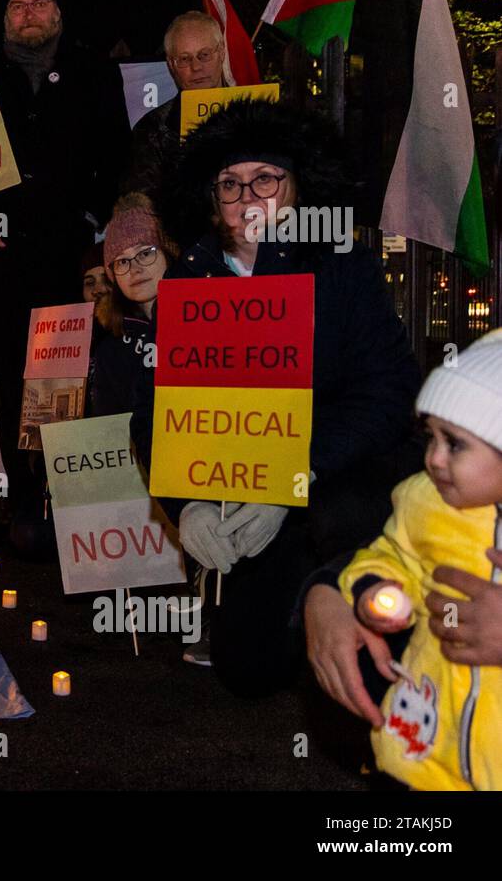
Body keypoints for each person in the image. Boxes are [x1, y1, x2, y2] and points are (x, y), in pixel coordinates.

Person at [131, 98, 422, 682]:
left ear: (295, 187)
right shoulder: (189, 279)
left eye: (265, 178)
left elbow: (389, 392)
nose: (248, 197)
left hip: (339, 483)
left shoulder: (342, 264)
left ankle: (362, 619)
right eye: (230, 184)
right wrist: (186, 505)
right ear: (212, 198)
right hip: (244, 496)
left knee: (351, 662)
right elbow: (157, 410)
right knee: (246, 670)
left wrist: (295, 475)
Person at [0, 0, 131, 527]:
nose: (29, 13)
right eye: (17, 6)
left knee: (64, 377)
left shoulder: (95, 72)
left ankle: (65, 506)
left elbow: (117, 155)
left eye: (40, 3)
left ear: (59, 14)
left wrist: (93, 219)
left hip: (67, 257)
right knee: (11, 379)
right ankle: (24, 506)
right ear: (4, 21)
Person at [327, 330, 502, 790]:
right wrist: (375, 589)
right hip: (430, 741)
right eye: (431, 438)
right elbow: (393, 552)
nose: (434, 459)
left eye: (455, 444)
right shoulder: (424, 503)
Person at [124, 11, 232, 196]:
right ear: (171, 65)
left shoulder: (257, 113)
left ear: (221, 53)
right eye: (184, 59)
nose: (196, 67)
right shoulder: (152, 129)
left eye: (204, 55)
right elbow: (141, 198)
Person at [88, 194, 176, 418]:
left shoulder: (206, 326)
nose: (135, 269)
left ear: (168, 253)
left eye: (145, 253)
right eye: (122, 261)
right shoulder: (110, 353)